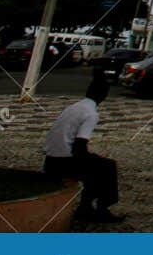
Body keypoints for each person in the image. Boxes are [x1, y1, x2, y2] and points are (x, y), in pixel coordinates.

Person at [43, 77, 123, 224]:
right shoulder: (91, 114)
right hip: (64, 161)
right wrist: (93, 159)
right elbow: (80, 145)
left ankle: (86, 207)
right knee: (107, 167)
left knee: (96, 166)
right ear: (104, 96)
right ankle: (101, 208)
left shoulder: (73, 107)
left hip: (50, 159)